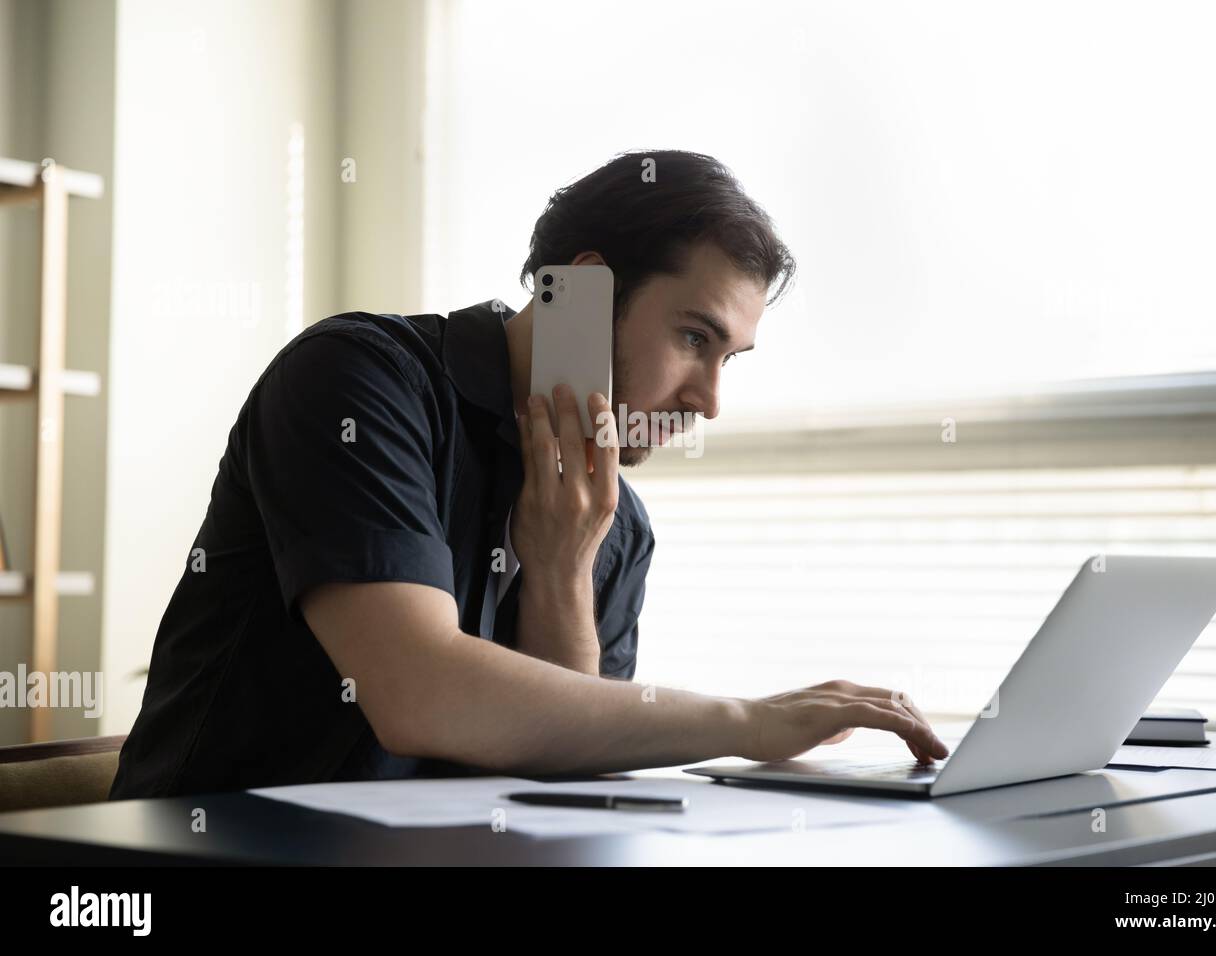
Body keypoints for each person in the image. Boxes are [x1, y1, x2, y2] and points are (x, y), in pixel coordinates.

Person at [110, 149, 946, 798]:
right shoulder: (358, 381)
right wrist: (749, 722)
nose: (709, 400)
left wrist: (563, 572)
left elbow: (564, 778)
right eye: (695, 338)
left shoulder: (616, 521)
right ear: (578, 292)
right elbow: (418, 694)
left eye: (730, 357)